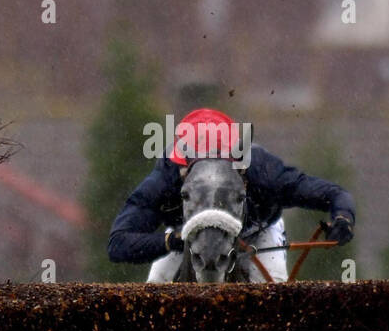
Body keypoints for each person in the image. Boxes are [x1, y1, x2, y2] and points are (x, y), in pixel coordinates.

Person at [108, 108, 355, 281]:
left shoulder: (263, 171)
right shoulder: (166, 178)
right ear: (183, 170)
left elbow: (336, 195)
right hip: (187, 233)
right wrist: (174, 240)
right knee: (153, 294)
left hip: (255, 232)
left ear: (241, 167)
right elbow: (118, 244)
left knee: (275, 301)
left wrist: (343, 217)